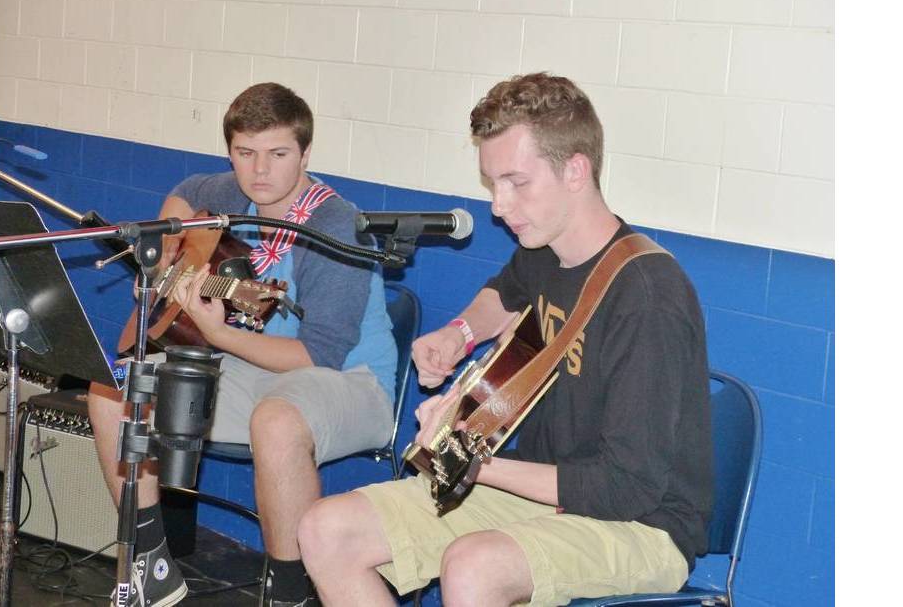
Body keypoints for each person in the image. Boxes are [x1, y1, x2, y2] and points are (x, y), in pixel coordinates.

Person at [297, 72, 713, 607]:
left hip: (643, 525)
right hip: (545, 500)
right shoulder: (544, 246)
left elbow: (625, 489)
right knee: (328, 529)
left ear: (576, 171)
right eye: (493, 184)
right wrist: (457, 334)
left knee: (475, 565)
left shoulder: (648, 297)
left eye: (517, 182)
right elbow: (505, 293)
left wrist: (473, 462)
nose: (498, 206)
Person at [87, 82, 398, 607]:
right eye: (244, 153)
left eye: (278, 154)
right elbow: (186, 192)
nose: (260, 172)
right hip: (252, 371)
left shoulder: (334, 224)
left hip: (349, 382)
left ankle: (289, 591)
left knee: (276, 419)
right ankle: (151, 569)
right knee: (113, 394)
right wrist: (170, 255)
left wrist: (218, 333)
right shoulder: (232, 190)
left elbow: (314, 355)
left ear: (304, 153)